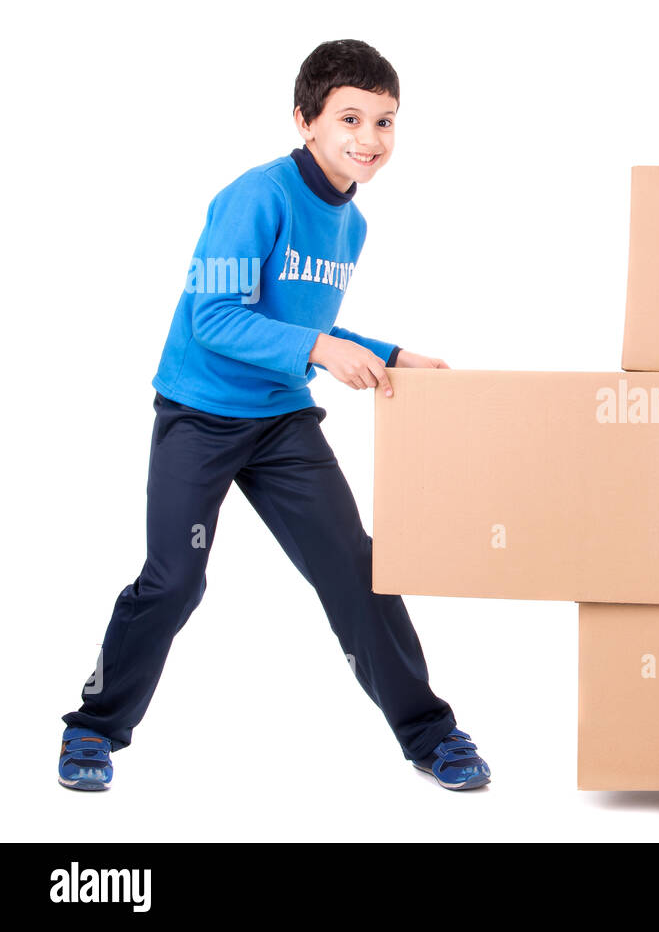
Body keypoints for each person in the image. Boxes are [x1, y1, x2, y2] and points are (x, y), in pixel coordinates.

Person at [58, 39, 490, 793]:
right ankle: (93, 728)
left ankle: (430, 733)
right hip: (201, 413)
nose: (370, 139)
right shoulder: (255, 197)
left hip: (281, 419)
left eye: (386, 122)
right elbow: (216, 320)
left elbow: (297, 318)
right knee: (175, 580)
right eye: (350, 117)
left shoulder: (351, 226)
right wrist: (323, 347)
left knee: (358, 568)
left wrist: (391, 351)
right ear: (305, 120)